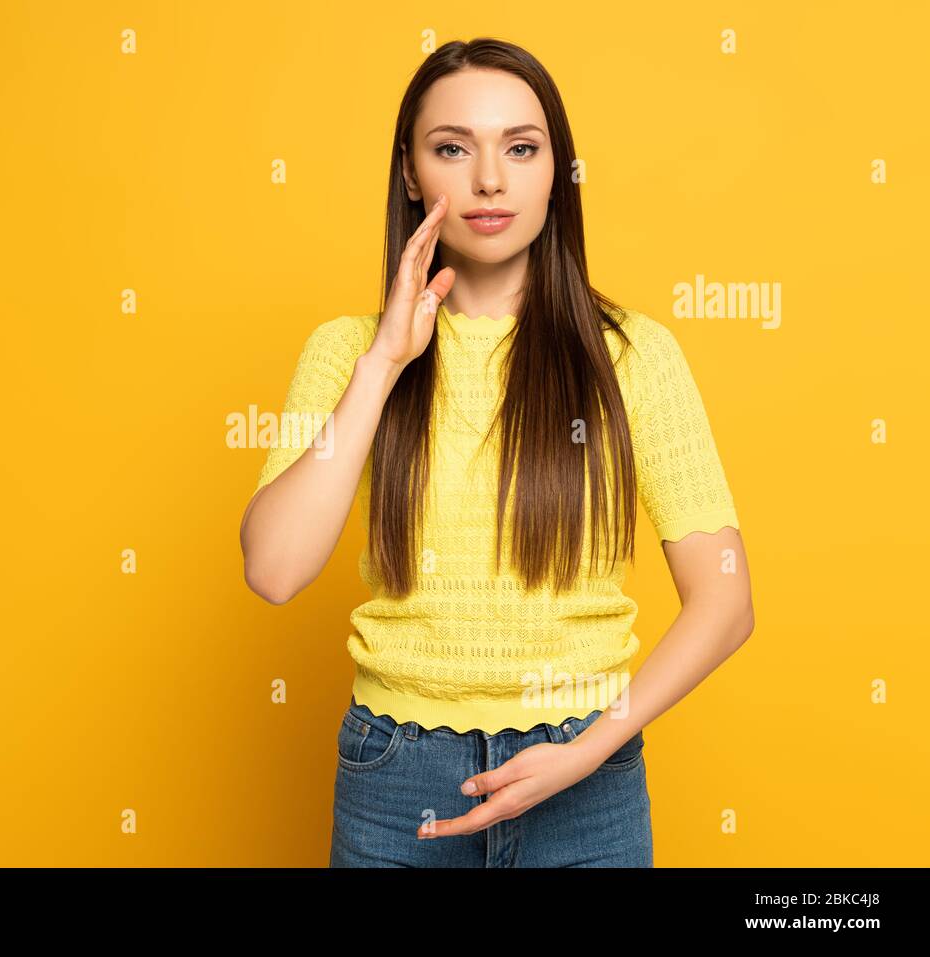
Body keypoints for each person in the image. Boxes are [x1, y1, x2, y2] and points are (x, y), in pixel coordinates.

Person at [238, 37, 754, 867]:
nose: (489, 180)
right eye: (452, 148)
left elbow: (726, 600)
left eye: (521, 148)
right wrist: (384, 364)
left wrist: (589, 751)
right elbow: (275, 568)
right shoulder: (345, 352)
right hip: (396, 777)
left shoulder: (633, 354)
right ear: (410, 173)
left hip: (585, 773)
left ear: (557, 171)